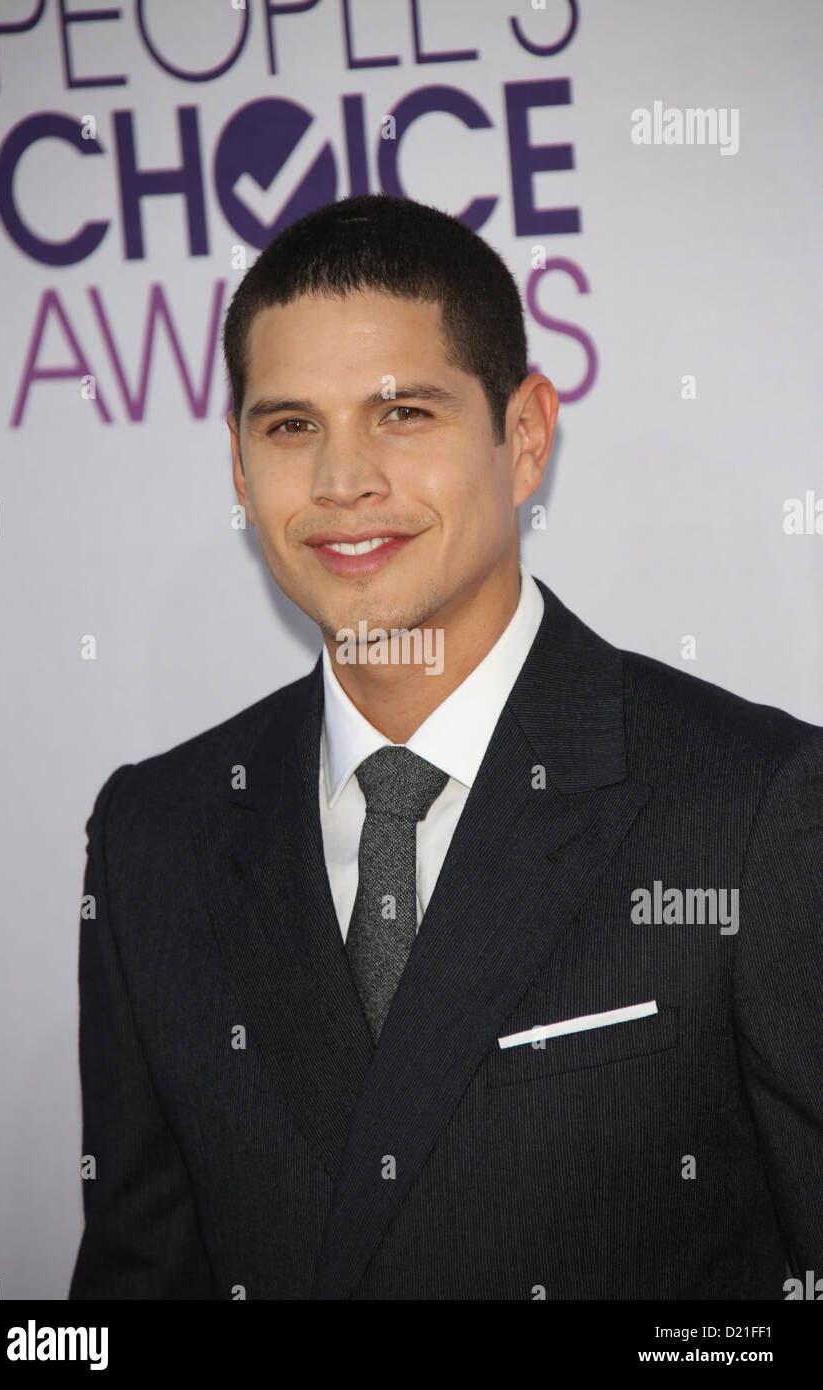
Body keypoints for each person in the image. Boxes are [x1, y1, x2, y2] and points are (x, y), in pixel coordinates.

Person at [69, 193, 823, 1301]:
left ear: (522, 437)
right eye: (290, 427)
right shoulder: (152, 836)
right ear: (238, 468)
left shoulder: (752, 805)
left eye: (402, 415)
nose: (340, 483)